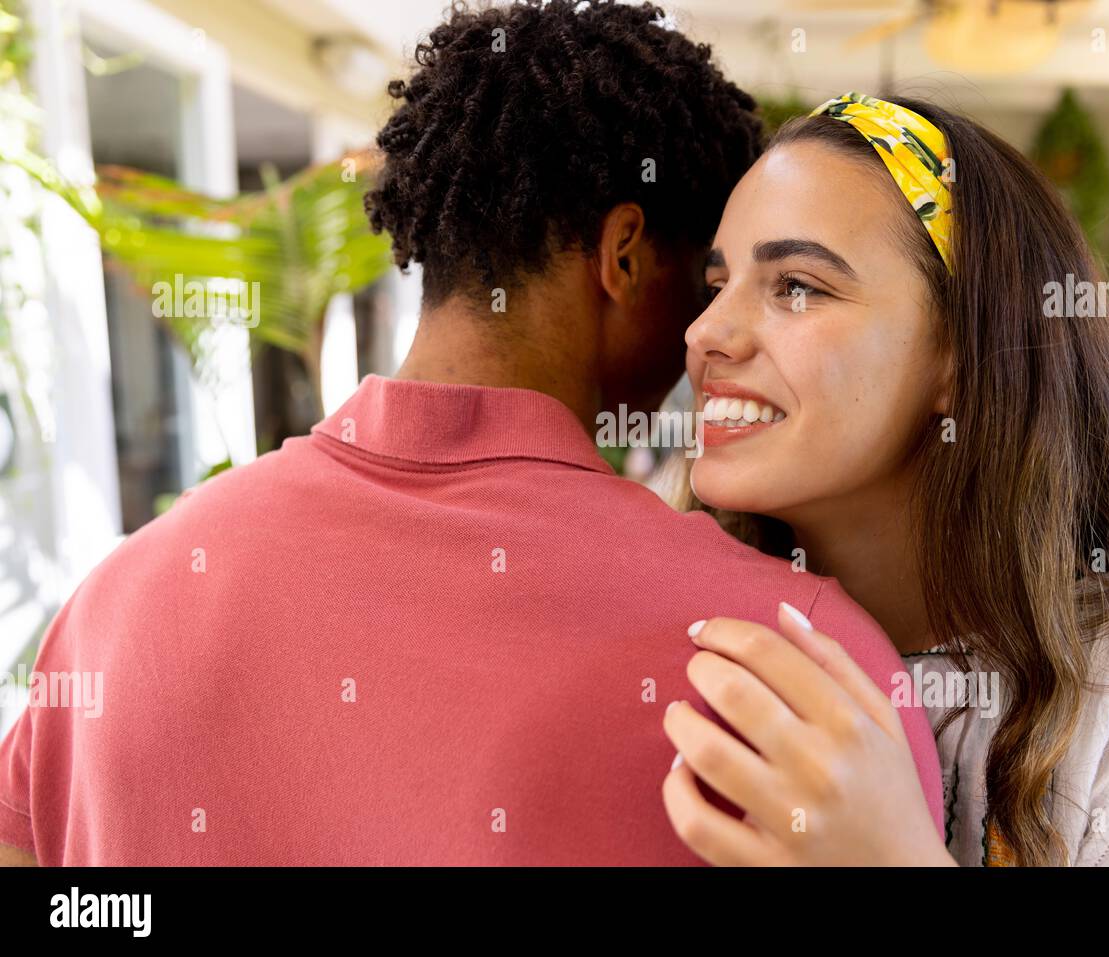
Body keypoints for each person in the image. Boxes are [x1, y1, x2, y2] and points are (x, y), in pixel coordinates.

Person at [0, 7, 941, 866]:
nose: (708, 335)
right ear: (623, 256)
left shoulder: (114, 605)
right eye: (706, 279)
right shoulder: (797, 678)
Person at [658, 93, 1109, 866]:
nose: (706, 335)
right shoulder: (698, 638)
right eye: (716, 284)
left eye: (797, 285)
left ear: (964, 354)